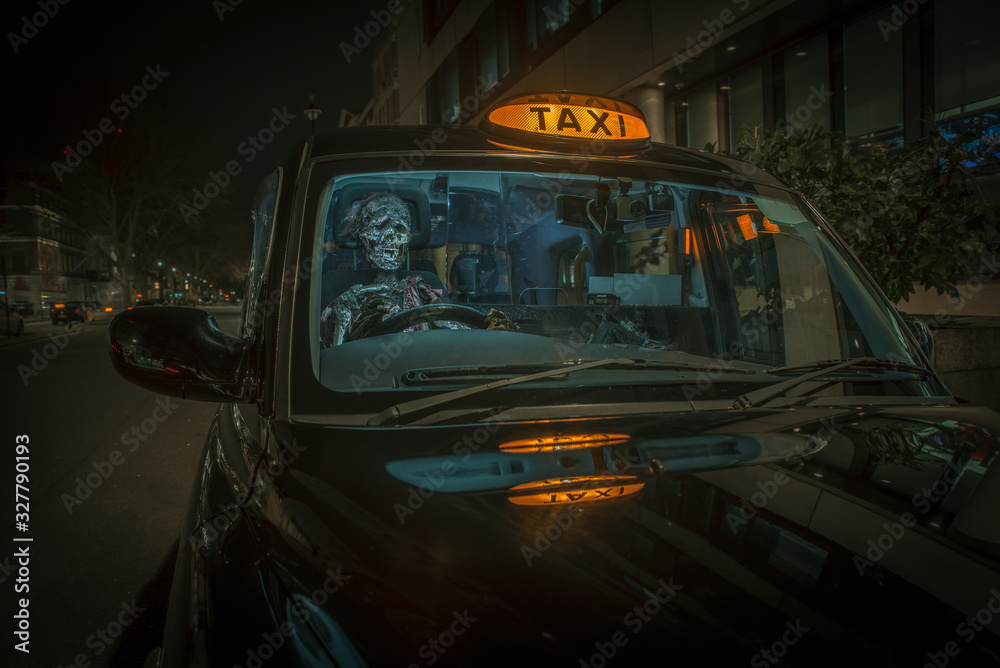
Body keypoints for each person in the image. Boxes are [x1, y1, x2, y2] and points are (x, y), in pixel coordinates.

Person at [320, 192, 444, 347]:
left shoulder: (421, 287)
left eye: (399, 228)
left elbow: (445, 336)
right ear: (364, 237)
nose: (390, 237)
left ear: (408, 237)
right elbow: (337, 353)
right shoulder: (341, 292)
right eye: (379, 227)